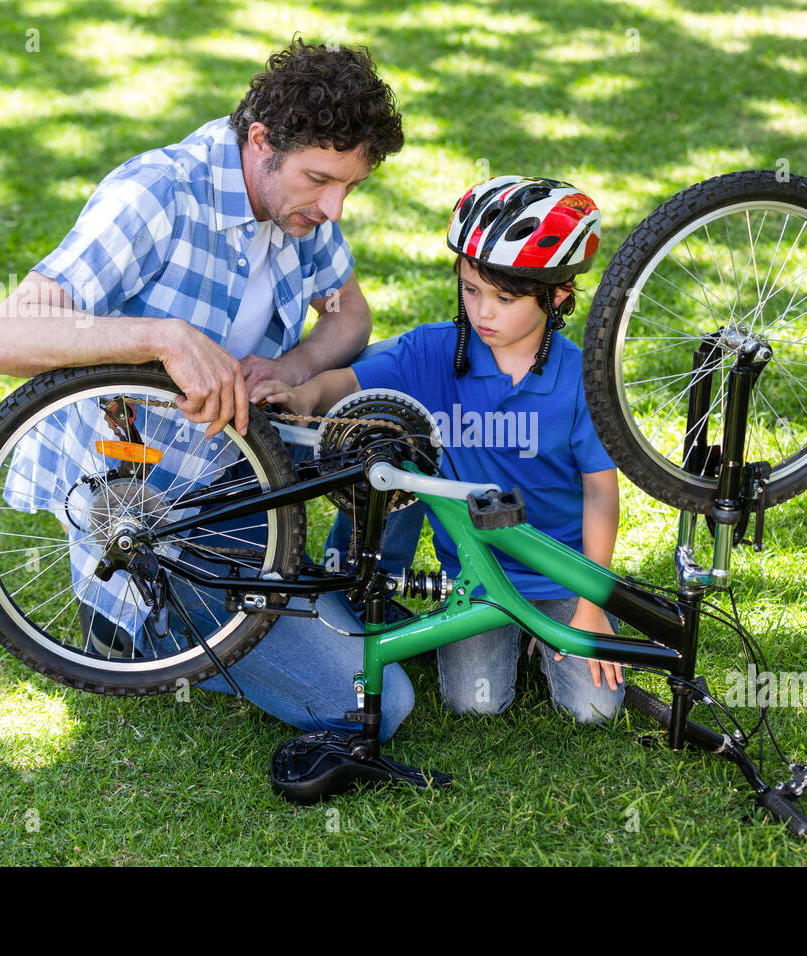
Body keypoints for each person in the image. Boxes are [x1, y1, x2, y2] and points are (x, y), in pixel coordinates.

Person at [0, 38, 415, 742]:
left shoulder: (298, 206)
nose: (334, 208)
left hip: (246, 477)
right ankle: (145, 624)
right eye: (320, 180)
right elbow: (1, 340)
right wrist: (162, 337)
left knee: (407, 400)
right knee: (379, 704)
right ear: (261, 141)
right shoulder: (157, 194)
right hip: (152, 527)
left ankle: (344, 584)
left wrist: (296, 366)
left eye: (350, 188)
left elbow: (349, 316)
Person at [260, 175, 625, 724]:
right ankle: (495, 630)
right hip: (475, 579)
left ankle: (549, 631)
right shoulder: (433, 352)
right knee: (474, 703)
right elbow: (349, 383)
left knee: (593, 712)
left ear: (557, 297)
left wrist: (591, 606)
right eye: (471, 289)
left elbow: (601, 493)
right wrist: (303, 390)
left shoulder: (583, 379)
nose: (483, 313)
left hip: (561, 576)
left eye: (505, 298)